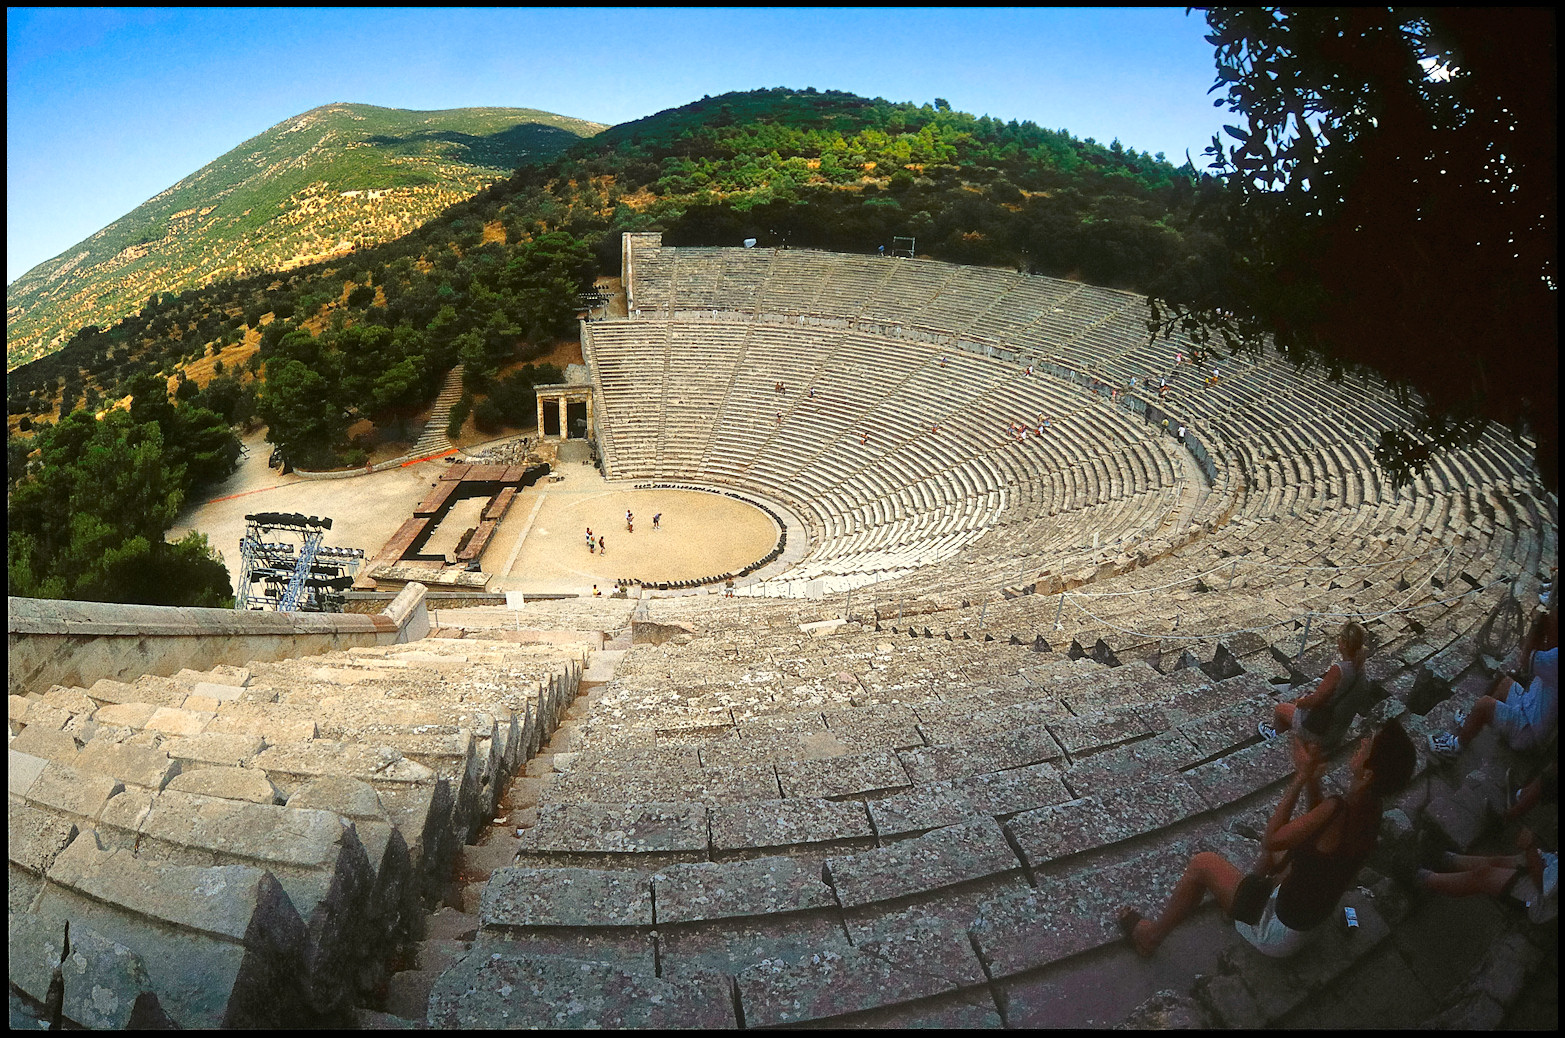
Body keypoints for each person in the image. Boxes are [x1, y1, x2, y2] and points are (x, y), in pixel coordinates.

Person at [1118, 719, 1415, 959]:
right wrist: (1313, 778)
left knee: (1202, 864)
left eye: (1369, 743)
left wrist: (1299, 777)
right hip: (1308, 924)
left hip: (1278, 932)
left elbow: (1271, 839)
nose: (1362, 742)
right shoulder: (1371, 811)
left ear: (1369, 772)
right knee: (1282, 851)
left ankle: (1150, 937)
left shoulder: (1339, 808)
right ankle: (1235, 904)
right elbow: (1319, 828)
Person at [1430, 596, 1557, 759]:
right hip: (1528, 708)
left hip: (1527, 731)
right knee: (1504, 683)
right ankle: (1472, 721)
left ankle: (1455, 746)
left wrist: (1536, 625)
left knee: (1484, 705)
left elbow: (1525, 659)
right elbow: (1538, 651)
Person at [1260, 622, 1369, 789]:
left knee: (1280, 709)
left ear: (1345, 644)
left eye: (1340, 638)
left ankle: (1275, 734)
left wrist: (1300, 702)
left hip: (1321, 731)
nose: (1338, 641)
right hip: (1338, 731)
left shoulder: (1339, 670)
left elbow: (1317, 700)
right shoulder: (1361, 669)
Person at [1417, 828, 1558, 925]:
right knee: (1496, 861)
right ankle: (1444, 859)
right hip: (1546, 868)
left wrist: (1530, 847)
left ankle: (1421, 878)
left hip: (1537, 902)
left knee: (1482, 876)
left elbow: (1544, 886)